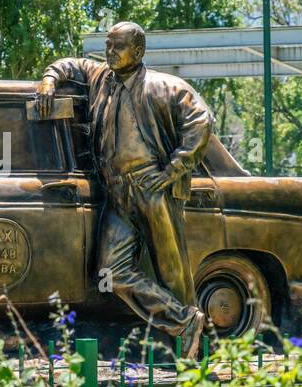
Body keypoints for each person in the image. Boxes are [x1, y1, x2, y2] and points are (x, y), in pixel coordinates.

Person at [36, 21, 211, 357]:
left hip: (153, 189)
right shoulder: (99, 76)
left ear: (139, 51)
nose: (110, 52)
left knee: (172, 273)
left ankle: (191, 354)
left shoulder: (166, 86)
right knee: (110, 271)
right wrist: (49, 80)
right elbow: (68, 65)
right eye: (108, 44)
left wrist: (174, 169)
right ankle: (183, 321)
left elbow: (200, 122)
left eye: (119, 46)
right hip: (117, 194)